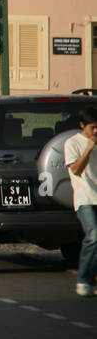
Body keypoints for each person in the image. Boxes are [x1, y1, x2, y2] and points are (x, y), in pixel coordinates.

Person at [65, 107, 97, 296]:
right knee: (94, 235)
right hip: (85, 199)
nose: (95, 132)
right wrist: (88, 148)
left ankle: (91, 279)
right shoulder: (72, 143)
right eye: (92, 128)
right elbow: (76, 170)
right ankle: (83, 279)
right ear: (82, 125)